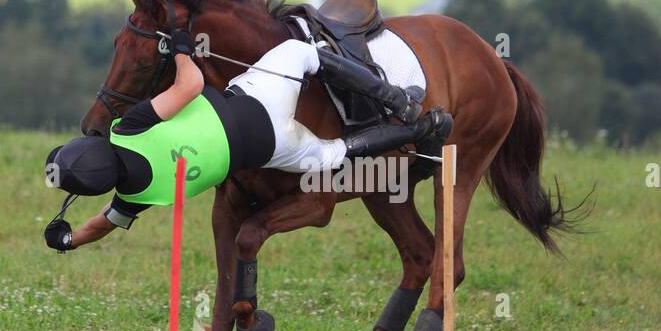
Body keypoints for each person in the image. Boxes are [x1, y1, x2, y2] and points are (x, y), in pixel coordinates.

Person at [43, 28, 450, 251]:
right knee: (300, 51)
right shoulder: (128, 128)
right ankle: (397, 98)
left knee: (334, 154)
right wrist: (183, 50)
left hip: (275, 148)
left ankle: (421, 129)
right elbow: (191, 85)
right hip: (259, 98)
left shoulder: (137, 197)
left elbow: (103, 225)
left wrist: (70, 239)